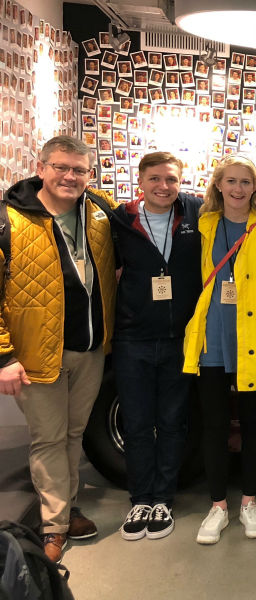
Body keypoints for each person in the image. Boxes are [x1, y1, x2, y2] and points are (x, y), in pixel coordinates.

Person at [0, 136, 117, 562]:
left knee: (72, 434)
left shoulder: (99, 213)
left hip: (88, 349)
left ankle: (64, 508)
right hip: (36, 354)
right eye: (61, 167)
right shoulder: (9, 221)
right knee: (48, 439)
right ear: (41, 167)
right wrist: (4, 359)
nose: (70, 177)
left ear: (90, 174)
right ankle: (54, 525)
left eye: (80, 170)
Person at [182, 155, 256, 544]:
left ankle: (249, 501)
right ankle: (217, 506)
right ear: (217, 185)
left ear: (255, 187)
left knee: (251, 426)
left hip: (254, 343)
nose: (237, 189)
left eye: (245, 182)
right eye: (230, 181)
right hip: (211, 340)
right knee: (213, 426)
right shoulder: (204, 224)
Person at [110, 152, 202, 541]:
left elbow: (240, 213)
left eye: (170, 179)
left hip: (181, 337)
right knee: (136, 423)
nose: (163, 187)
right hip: (133, 336)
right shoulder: (120, 219)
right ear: (141, 181)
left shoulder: (196, 213)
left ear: (180, 182)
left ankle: (163, 498)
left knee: (172, 421)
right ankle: (139, 499)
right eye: (154, 179)